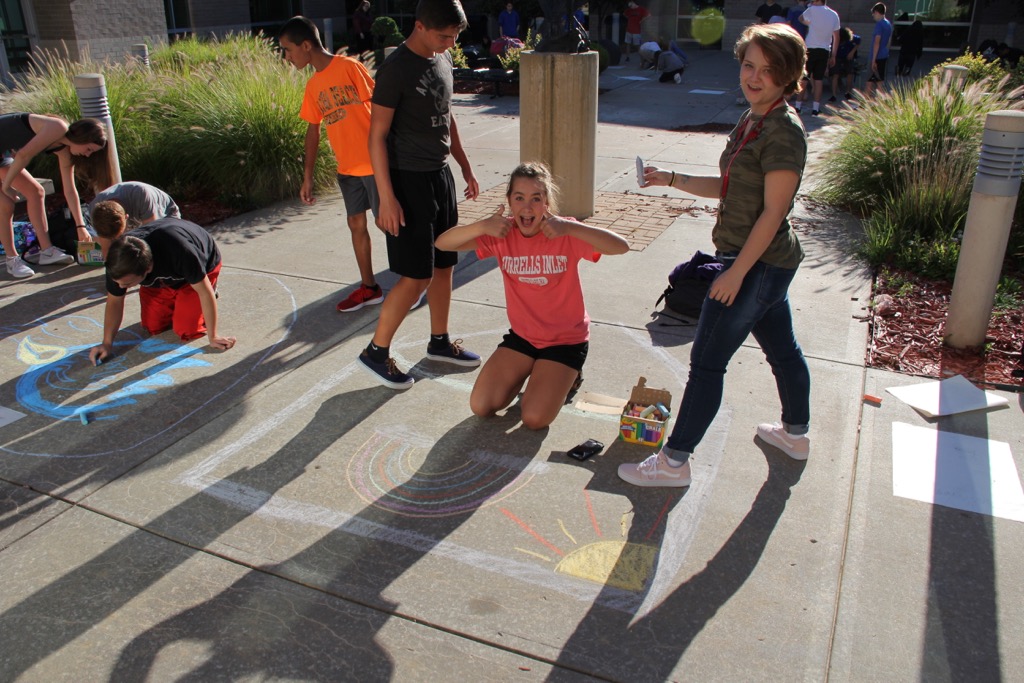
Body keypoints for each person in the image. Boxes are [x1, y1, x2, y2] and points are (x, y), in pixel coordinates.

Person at [619, 23, 811, 489]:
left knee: (706, 363)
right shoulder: (754, 118)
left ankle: (673, 463)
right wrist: (672, 179)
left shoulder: (782, 131)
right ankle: (795, 434)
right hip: (761, 263)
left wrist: (735, 274)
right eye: (749, 65)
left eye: (768, 70)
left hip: (756, 263)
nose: (754, 76)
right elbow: (728, 188)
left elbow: (773, 212)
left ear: (788, 76)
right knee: (783, 350)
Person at [435, 163, 627, 429]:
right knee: (481, 406)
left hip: (565, 342)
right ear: (510, 202)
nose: (527, 207)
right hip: (523, 338)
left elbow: (621, 246)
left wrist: (571, 228)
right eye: (519, 198)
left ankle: (566, 376)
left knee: (534, 419)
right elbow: (443, 243)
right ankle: (536, 374)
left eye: (536, 199)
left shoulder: (562, 231)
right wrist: (482, 225)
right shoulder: (502, 233)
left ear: (547, 203)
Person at [362, 0, 481, 389]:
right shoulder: (396, 69)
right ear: (419, 26)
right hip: (405, 181)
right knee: (415, 276)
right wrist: (386, 197)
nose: (449, 43)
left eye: (454, 37)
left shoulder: (441, 58)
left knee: (445, 265)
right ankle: (376, 352)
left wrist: (463, 165)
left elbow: (447, 115)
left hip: (438, 175)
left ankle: (440, 342)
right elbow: (376, 136)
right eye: (443, 35)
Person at [279, 16, 383, 313]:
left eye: (288, 49)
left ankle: (413, 281)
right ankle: (369, 287)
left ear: (306, 45)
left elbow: (380, 109)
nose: (286, 57)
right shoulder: (313, 86)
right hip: (348, 169)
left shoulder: (349, 67)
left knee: (388, 224)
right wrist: (307, 176)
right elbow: (313, 129)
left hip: (375, 165)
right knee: (356, 223)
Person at [89, 208, 236, 365]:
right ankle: (175, 298)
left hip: (200, 271)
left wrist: (213, 336)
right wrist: (106, 343)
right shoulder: (118, 262)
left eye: (127, 284)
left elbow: (204, 292)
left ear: (148, 269)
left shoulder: (180, 250)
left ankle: (199, 295)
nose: (121, 286)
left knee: (187, 330)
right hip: (164, 278)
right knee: (153, 326)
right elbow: (114, 301)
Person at [0, 113, 107, 278]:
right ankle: (12, 260)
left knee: (36, 192)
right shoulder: (58, 127)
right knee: (5, 204)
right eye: (89, 149)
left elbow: (70, 190)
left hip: (2, 154)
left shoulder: (64, 150)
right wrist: (7, 187)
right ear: (82, 138)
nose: (87, 154)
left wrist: (81, 227)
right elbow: (23, 155)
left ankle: (47, 251)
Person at [89, 182, 181, 255]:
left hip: (167, 216)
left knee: (163, 249)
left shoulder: (142, 195)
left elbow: (152, 236)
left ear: (126, 217)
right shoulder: (96, 209)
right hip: (137, 219)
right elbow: (106, 247)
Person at [799, 0, 840, 115]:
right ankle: (816, 109)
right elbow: (836, 37)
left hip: (810, 48)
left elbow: (800, 19)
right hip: (824, 50)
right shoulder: (834, 14)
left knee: (804, 78)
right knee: (818, 80)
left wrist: (810, 22)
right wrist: (833, 55)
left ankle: (798, 106)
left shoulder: (811, 10)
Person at [865, 3, 893, 97]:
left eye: (873, 14)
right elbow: (888, 41)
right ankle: (880, 103)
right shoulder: (888, 24)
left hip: (876, 56)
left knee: (869, 80)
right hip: (884, 55)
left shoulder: (879, 25)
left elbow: (877, 42)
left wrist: (873, 60)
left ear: (876, 12)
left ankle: (865, 103)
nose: (873, 16)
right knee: (879, 81)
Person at [829, 27, 860, 101]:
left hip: (848, 56)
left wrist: (852, 52)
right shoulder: (834, 38)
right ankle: (834, 94)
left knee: (850, 72)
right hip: (837, 56)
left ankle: (848, 92)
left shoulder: (853, 38)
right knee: (835, 74)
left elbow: (858, 41)